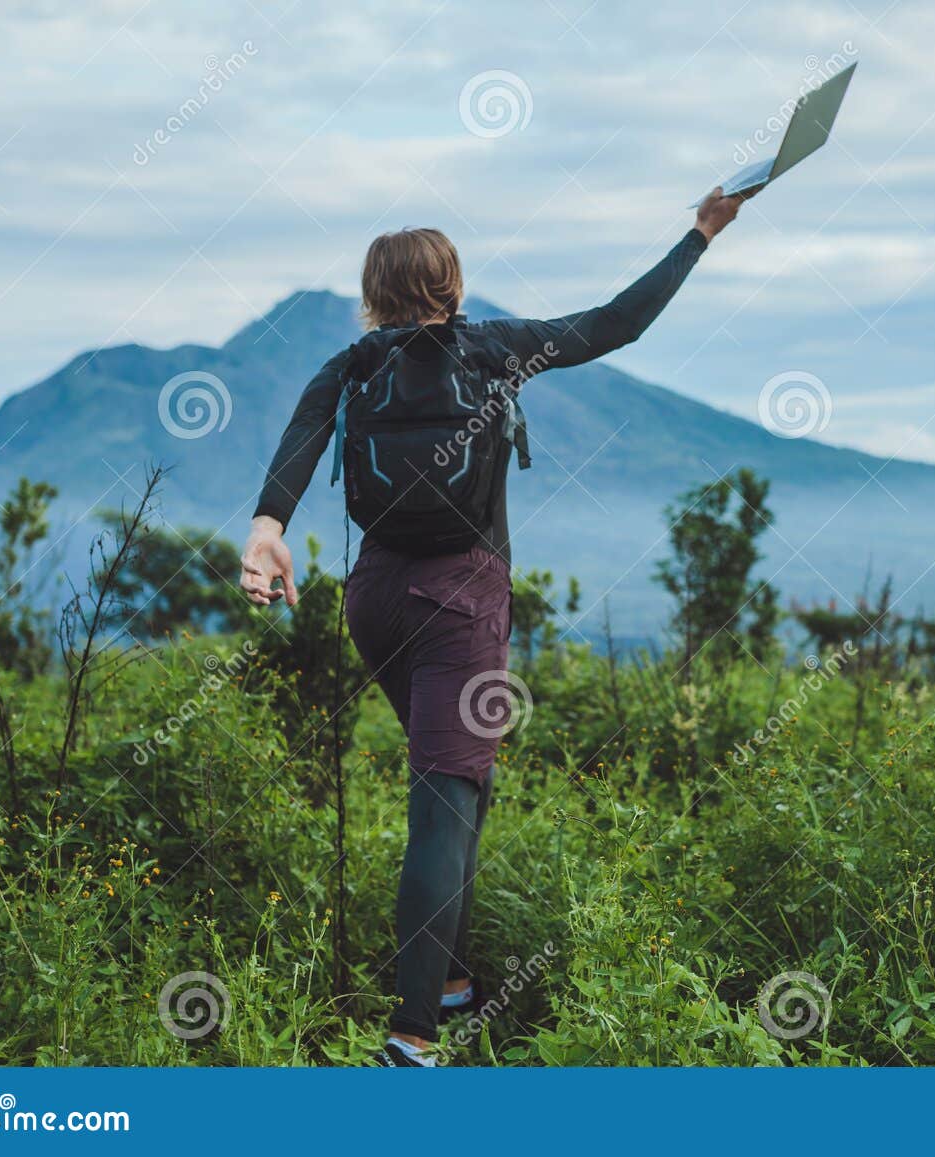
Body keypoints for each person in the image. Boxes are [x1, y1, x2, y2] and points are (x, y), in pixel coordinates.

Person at [239, 188, 742, 1066]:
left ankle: (457, 979)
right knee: (444, 800)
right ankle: (412, 1040)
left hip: (376, 601)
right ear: (455, 286)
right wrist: (700, 232)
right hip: (460, 603)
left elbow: (297, 445)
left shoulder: (351, 365)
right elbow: (618, 322)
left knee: (462, 785)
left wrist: (266, 531)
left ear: (374, 296)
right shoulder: (495, 349)